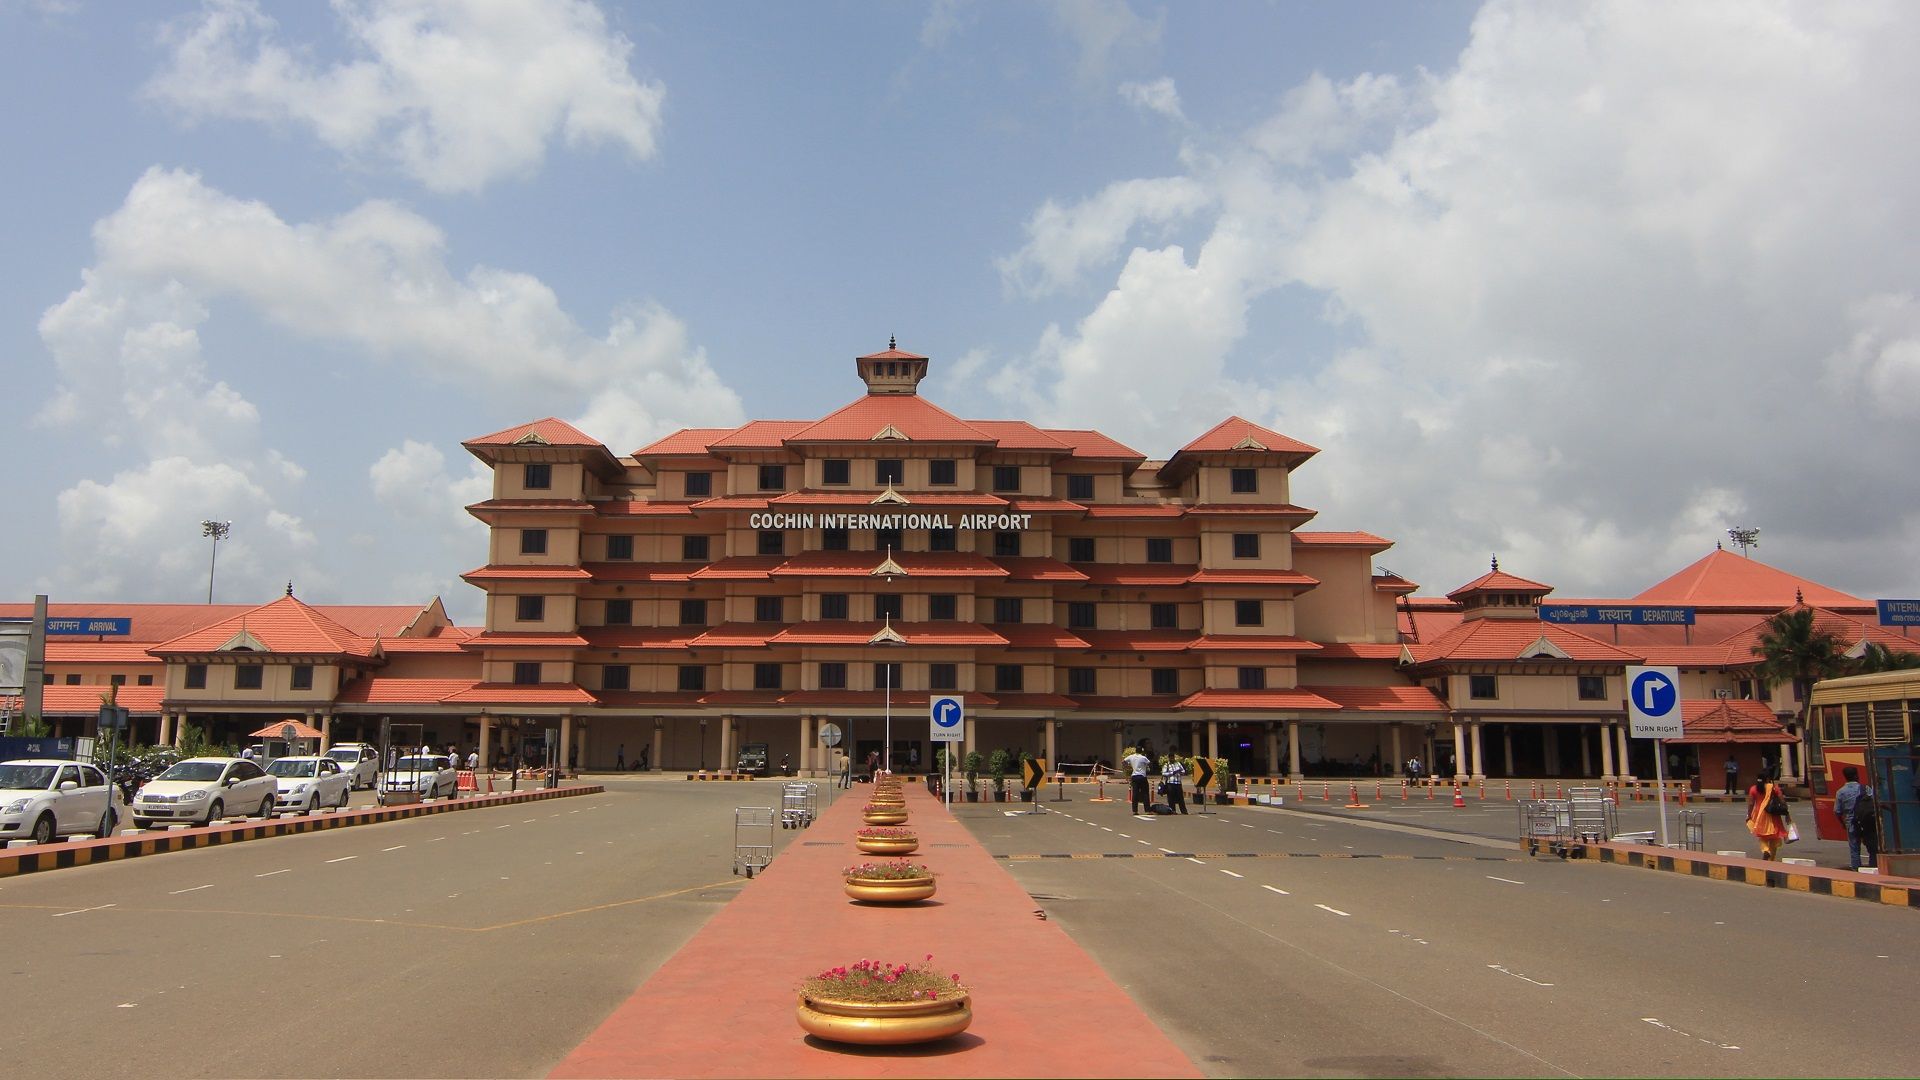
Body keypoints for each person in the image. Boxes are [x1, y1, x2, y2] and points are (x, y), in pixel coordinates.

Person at [1833, 765, 1880, 872]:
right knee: (1872, 847)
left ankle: (1856, 870)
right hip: (1867, 822)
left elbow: (1837, 811)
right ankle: (1873, 867)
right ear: (1856, 776)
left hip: (1851, 823)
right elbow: (1874, 804)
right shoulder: (1866, 788)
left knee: (1854, 848)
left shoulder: (1841, 792)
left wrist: (1843, 823)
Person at [1745, 773, 1792, 860]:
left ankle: (1766, 850)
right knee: (1775, 837)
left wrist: (1749, 815)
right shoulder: (1773, 788)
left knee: (1762, 836)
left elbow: (1751, 804)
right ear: (1767, 779)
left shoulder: (1753, 789)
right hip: (1773, 815)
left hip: (1759, 816)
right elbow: (1782, 800)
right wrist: (1787, 813)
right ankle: (1771, 860)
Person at [1123, 747, 1152, 814]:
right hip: (1142, 776)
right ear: (1141, 751)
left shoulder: (1131, 756)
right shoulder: (1143, 757)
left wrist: (1128, 767)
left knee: (1135, 794)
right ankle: (1147, 810)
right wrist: (1145, 767)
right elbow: (1149, 763)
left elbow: (1123, 761)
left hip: (1134, 776)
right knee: (1145, 793)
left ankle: (1135, 810)